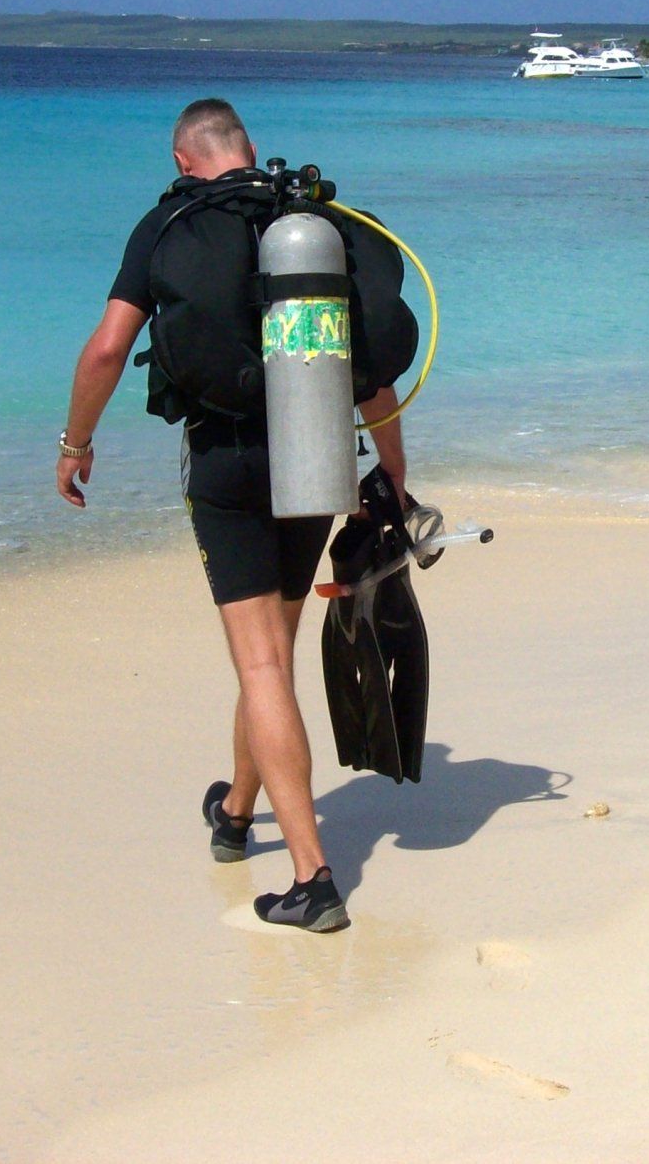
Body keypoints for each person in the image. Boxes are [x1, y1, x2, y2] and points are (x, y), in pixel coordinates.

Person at [56, 98, 407, 930]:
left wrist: (75, 443)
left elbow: (109, 347)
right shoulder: (309, 220)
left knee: (259, 667)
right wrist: (392, 475)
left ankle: (314, 877)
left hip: (229, 461)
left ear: (184, 161)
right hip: (318, 455)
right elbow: (368, 368)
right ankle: (236, 811)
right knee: (271, 653)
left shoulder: (168, 221)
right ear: (249, 148)